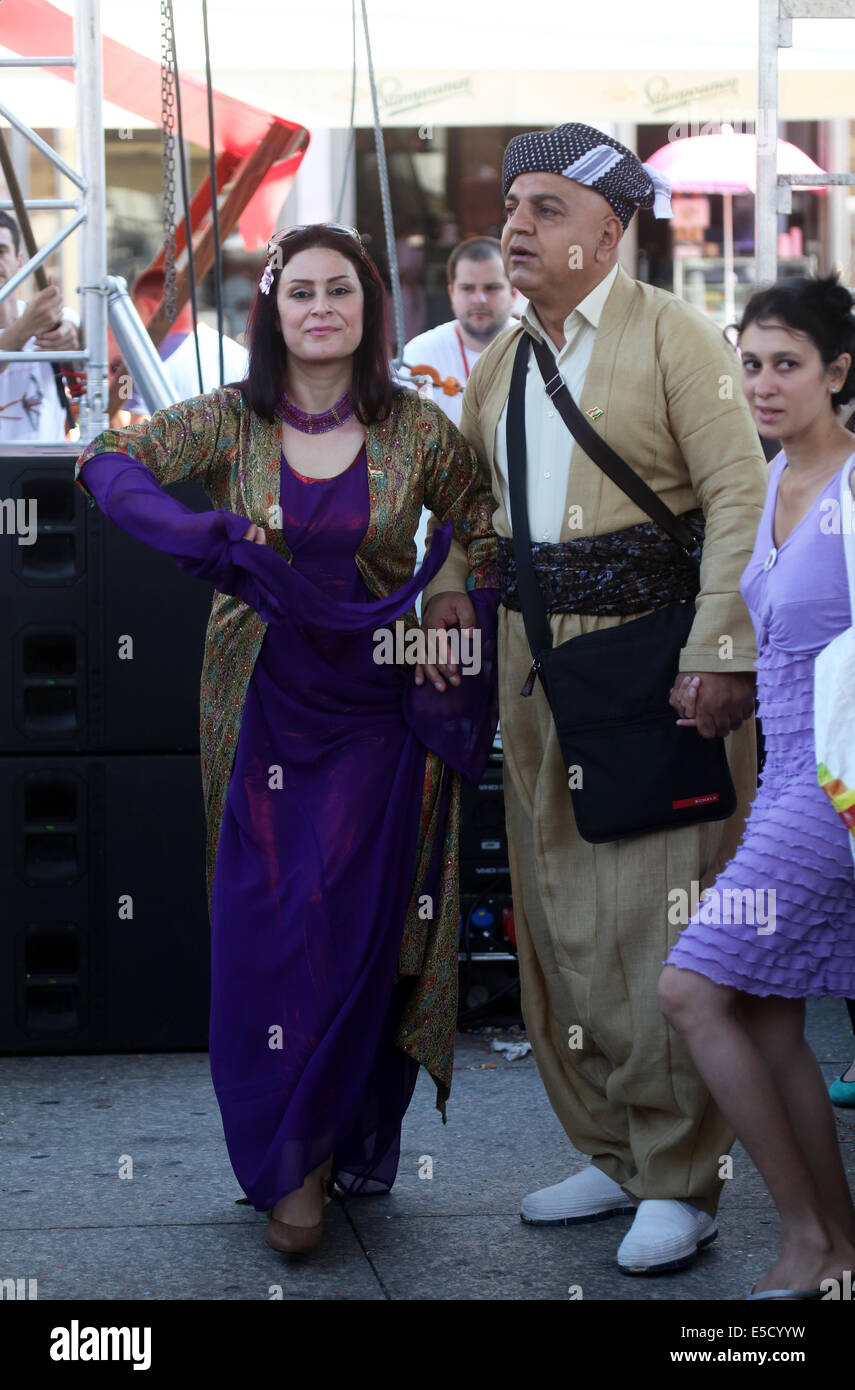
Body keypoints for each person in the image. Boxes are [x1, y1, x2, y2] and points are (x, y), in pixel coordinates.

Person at [74, 223, 499, 1255]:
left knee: (353, 928)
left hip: (379, 717)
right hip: (264, 707)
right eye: (299, 290)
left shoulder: (418, 429)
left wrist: (448, 594)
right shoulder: (229, 421)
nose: (320, 308)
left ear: (369, 308)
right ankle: (281, 1154)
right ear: (271, 308)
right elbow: (106, 458)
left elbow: (477, 515)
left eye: (340, 291)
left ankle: (315, 1153)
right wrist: (201, 534)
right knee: (273, 931)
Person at [419, 122, 768, 1276]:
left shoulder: (675, 336)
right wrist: (458, 600)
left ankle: (683, 1178)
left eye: (547, 208)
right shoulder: (505, 359)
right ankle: (612, 1150)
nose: (517, 227)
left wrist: (722, 651)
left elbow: (738, 496)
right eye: (513, 205)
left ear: (610, 231)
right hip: (535, 676)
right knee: (559, 922)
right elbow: (472, 509)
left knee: (649, 918)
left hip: (656, 670)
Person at [660, 274, 855, 1299]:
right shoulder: (773, 476)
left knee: (690, 988)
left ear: (837, 372)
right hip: (782, 771)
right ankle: (837, 1249)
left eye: (789, 364)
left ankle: (807, 1239)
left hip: (834, 784)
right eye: (752, 363)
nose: (766, 383)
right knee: (771, 1019)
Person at [403, 237, 515, 428]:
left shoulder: (539, 349)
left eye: (492, 288)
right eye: (467, 288)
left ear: (514, 293)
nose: (479, 299)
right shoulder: (419, 355)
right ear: (452, 293)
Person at [123, 266, 248, 412]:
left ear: (148, 307)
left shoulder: (146, 363)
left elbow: (131, 428)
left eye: (136, 313)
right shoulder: (240, 354)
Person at [0, 211, 74, 442]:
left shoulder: (49, 319)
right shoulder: (34, 319)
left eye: (1, 251)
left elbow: (81, 332)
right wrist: (25, 328)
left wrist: (72, 334)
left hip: (42, 470)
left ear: (20, 261)